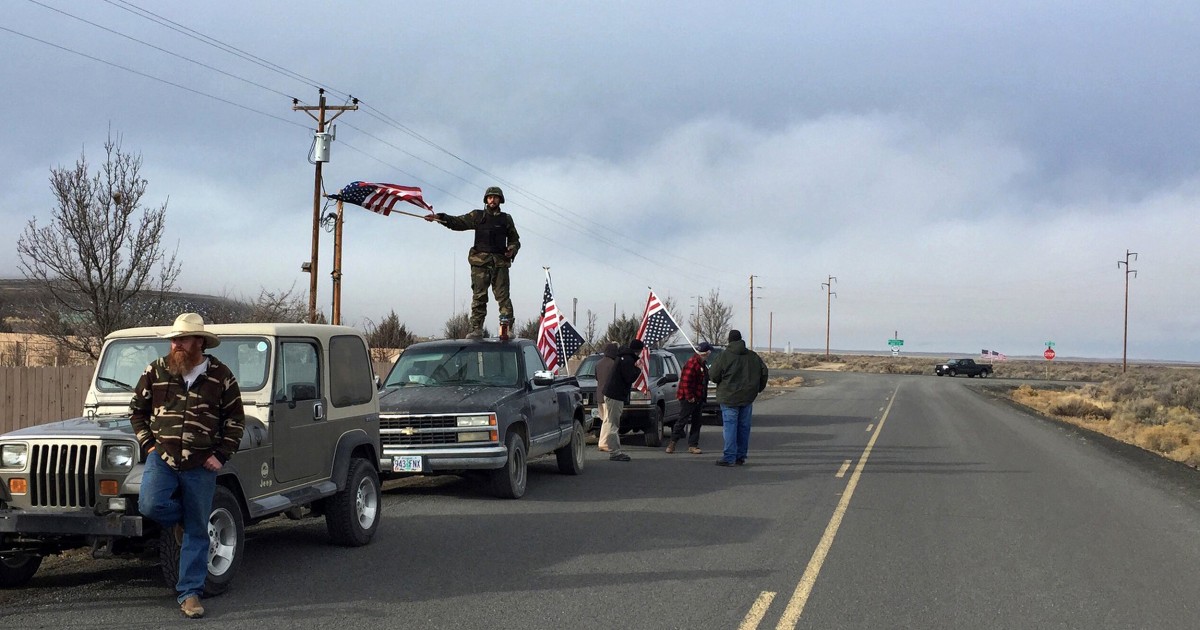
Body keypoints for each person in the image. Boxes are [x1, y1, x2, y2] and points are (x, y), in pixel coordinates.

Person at [130, 313, 245, 619]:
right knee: (151, 504)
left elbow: (236, 421)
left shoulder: (221, 376)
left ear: (199, 342)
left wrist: (221, 455)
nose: (175, 344)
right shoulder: (156, 370)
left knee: (198, 529)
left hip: (201, 463)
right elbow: (136, 412)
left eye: (182, 339)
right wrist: (149, 445)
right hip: (162, 457)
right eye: (174, 339)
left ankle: (190, 594)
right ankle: (181, 518)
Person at [424, 186, 521, 339]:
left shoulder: (506, 219)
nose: (492, 200)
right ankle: (476, 328)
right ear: (486, 199)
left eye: (495, 197)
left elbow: (515, 239)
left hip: (500, 263)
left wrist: (512, 249)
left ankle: (506, 328)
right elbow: (458, 222)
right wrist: (439, 217)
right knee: (479, 296)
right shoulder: (478, 216)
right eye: (490, 197)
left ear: (500, 200)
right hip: (480, 263)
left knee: (503, 297)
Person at [708, 330, 768, 467]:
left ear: (729, 340)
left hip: (729, 397)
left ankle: (729, 457)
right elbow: (764, 372)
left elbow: (713, 375)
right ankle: (740, 456)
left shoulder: (724, 356)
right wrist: (758, 389)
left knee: (730, 427)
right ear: (741, 340)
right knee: (743, 427)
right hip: (747, 397)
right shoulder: (753, 356)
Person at [601, 339, 644, 462]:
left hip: (612, 394)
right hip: (615, 395)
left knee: (611, 422)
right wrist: (638, 369)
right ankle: (614, 452)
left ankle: (613, 449)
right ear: (638, 350)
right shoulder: (628, 360)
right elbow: (629, 377)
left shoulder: (623, 357)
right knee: (613, 424)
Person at [667, 341, 712, 455]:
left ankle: (693, 445)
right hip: (689, 397)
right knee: (682, 420)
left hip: (698, 397)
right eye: (709, 351)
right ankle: (672, 443)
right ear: (706, 352)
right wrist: (689, 397)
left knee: (697, 421)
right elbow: (686, 381)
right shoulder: (692, 363)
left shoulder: (702, 364)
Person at [593, 342, 619, 453]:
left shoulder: (598, 363)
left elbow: (597, 378)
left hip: (599, 394)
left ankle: (604, 442)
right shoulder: (614, 364)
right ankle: (604, 443)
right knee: (608, 420)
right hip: (609, 395)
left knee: (604, 418)